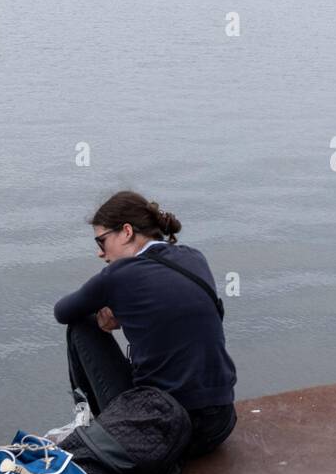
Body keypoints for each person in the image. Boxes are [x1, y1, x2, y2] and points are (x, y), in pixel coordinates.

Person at [53, 191, 237, 459]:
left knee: (81, 324)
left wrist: (111, 308)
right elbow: (169, 309)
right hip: (219, 425)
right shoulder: (194, 258)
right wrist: (124, 310)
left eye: (102, 241)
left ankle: (98, 429)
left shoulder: (118, 275)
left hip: (162, 431)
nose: (100, 253)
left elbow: (63, 311)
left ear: (126, 232)